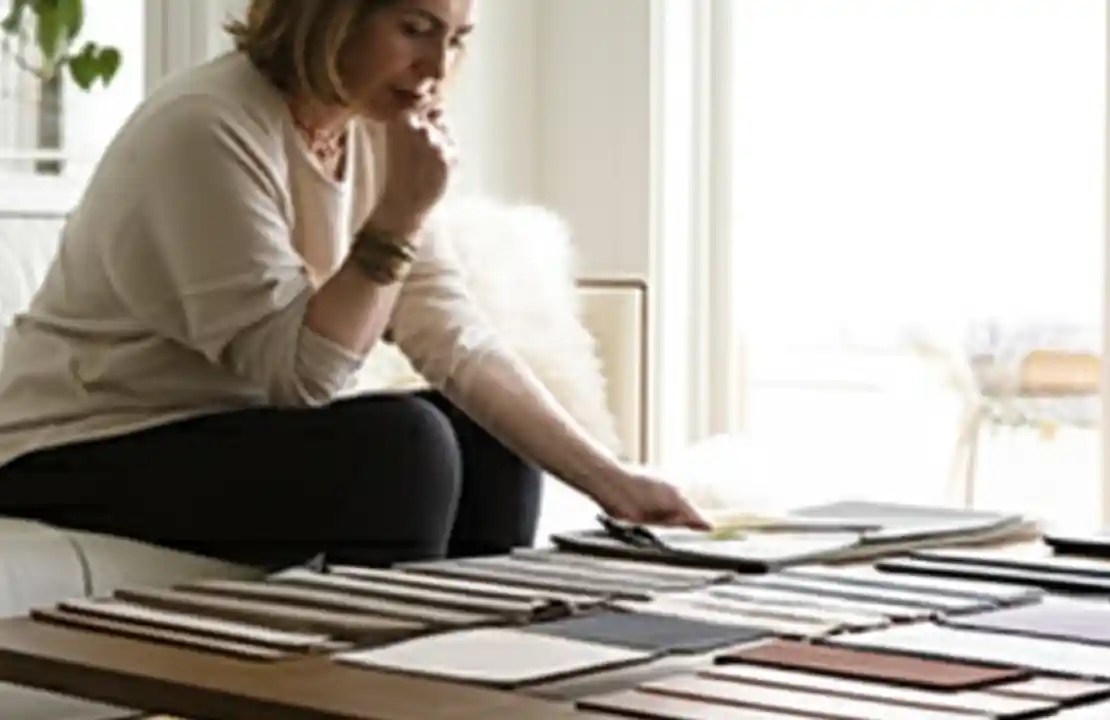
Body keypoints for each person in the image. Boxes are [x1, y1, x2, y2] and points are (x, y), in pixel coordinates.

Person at [0, 0, 708, 570]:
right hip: (72, 445)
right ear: (332, 15)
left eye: (456, 39)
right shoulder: (208, 129)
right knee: (403, 448)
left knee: (492, 442)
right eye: (415, 29)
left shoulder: (375, 125)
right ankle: (375, 684)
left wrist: (612, 481)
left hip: (222, 428)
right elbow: (301, 377)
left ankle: (474, 673)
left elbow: (451, 334)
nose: (436, 67)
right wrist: (399, 215)